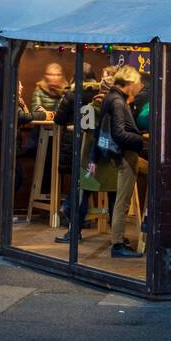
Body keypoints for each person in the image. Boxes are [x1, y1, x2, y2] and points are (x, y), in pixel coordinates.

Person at [54, 66, 116, 243]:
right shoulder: (119, 106)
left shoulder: (89, 108)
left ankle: (75, 231)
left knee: (83, 195)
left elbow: (83, 128)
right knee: (114, 197)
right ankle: (117, 238)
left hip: (91, 158)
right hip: (112, 159)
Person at [99, 65, 146, 259]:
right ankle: (117, 244)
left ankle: (118, 238)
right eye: (136, 83)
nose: (138, 87)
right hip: (125, 155)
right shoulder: (118, 102)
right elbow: (119, 133)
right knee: (122, 201)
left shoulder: (112, 98)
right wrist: (140, 139)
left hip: (118, 154)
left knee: (122, 199)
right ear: (128, 83)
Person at [0, 80, 33, 196]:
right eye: (19, 85)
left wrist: (22, 104)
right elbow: (23, 117)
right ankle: (2, 210)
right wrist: (41, 115)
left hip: (1, 146)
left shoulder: (4, 99)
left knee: (6, 179)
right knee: (16, 178)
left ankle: (0, 210)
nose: (22, 87)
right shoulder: (8, 100)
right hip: (6, 146)